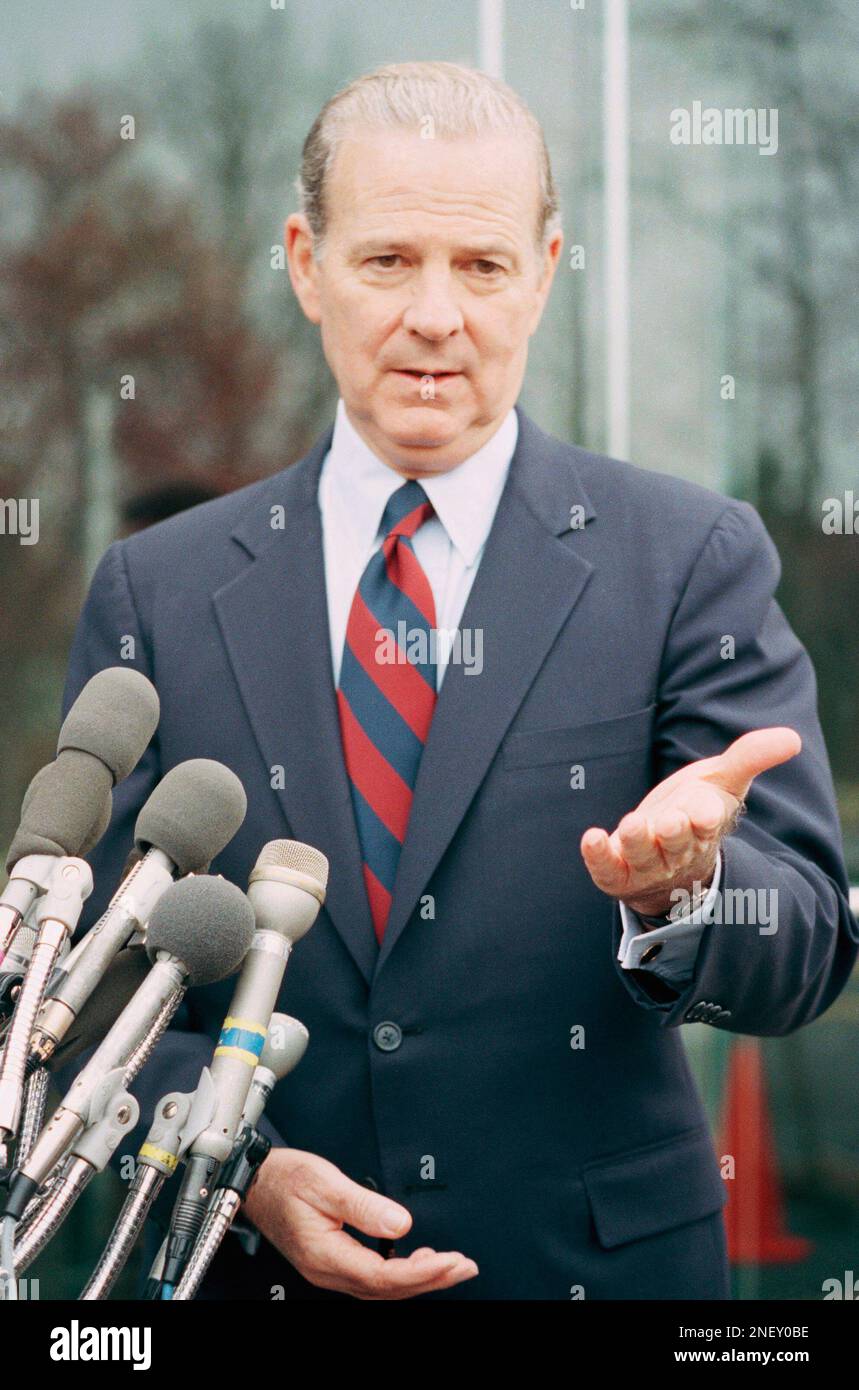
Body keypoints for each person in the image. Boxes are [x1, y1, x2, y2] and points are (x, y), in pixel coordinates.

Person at [62, 61, 858, 1300]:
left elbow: (805, 944)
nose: (436, 314)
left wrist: (689, 890)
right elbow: (93, 994)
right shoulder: (153, 595)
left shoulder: (688, 559)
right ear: (305, 261)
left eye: (481, 266)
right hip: (243, 1271)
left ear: (544, 271)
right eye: (387, 261)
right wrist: (240, 1168)